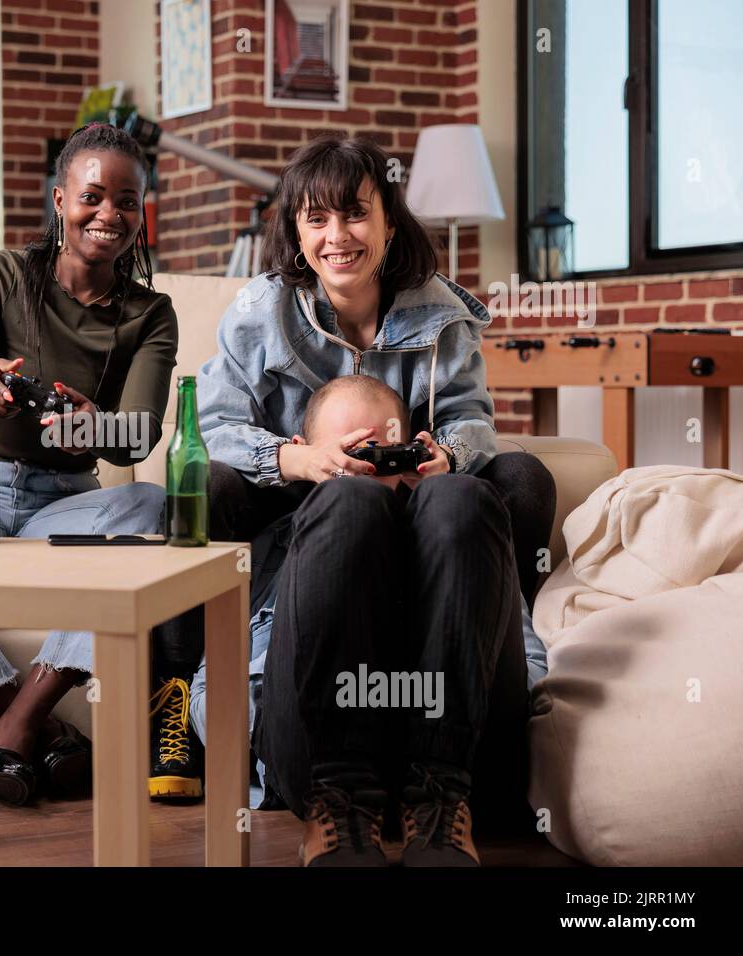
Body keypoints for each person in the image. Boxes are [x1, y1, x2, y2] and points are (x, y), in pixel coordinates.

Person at [195, 136, 557, 866]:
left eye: (355, 216)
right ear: (295, 231)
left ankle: (439, 803)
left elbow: (530, 668)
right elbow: (210, 427)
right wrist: (299, 460)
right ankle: (342, 803)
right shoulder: (262, 312)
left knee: (465, 496)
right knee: (346, 508)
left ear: (389, 220)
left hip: (459, 758)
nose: (337, 237)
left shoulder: (438, 315)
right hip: (319, 734)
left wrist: (442, 457)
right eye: (317, 220)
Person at [0, 123, 205, 806]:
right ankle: (41, 737)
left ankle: (16, 724)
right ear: (59, 200)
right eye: (93, 197)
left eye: (127, 202)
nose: (110, 216)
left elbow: (133, 441)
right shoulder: (3, 275)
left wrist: (92, 424)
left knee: (151, 508)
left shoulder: (150, 314)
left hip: (66, 504)